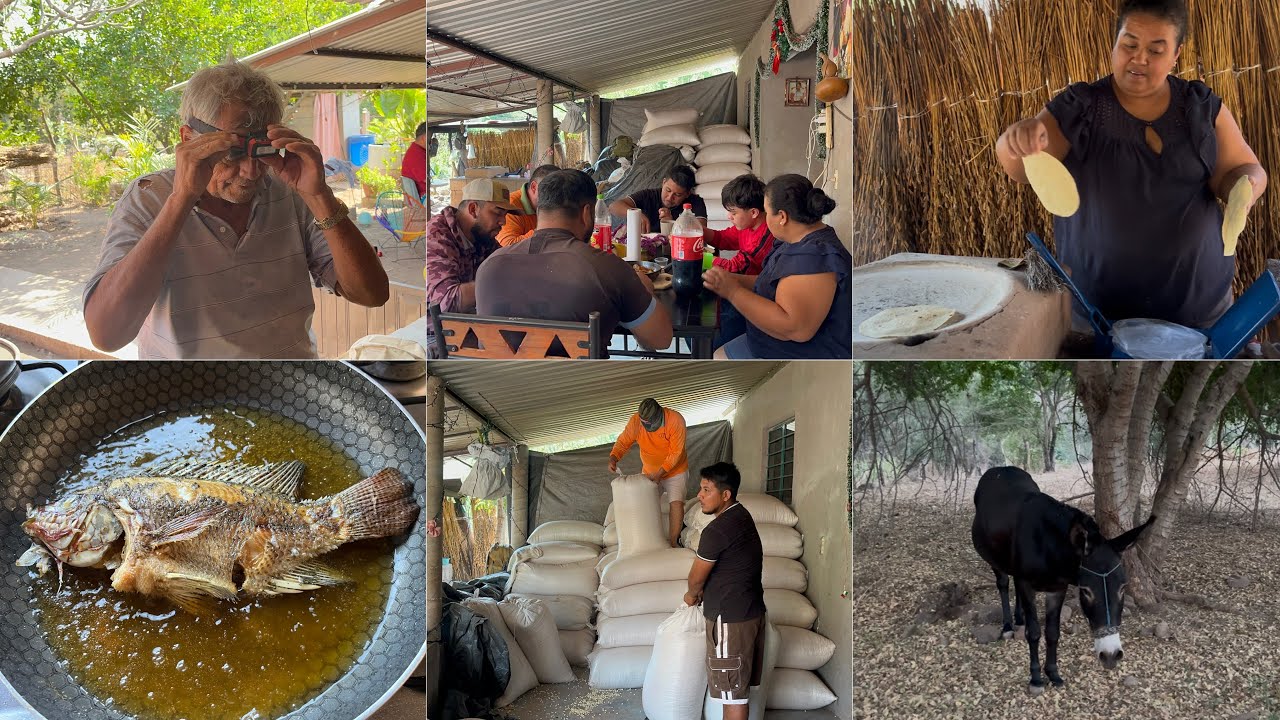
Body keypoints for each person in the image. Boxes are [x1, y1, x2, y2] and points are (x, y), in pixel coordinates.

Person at [83, 61, 389, 359]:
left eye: (263, 151)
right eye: (232, 152)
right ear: (188, 139)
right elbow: (106, 335)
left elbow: (372, 294)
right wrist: (181, 199)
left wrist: (319, 195)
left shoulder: (290, 191)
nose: (251, 172)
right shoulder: (149, 198)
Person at [996, 0, 1266, 333]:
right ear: (1114, 44)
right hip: (1098, 318)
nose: (1140, 58)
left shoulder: (1200, 107)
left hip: (1202, 312)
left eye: (1156, 50)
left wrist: (1247, 185)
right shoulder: (1080, 107)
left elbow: (1241, 169)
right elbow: (1020, 169)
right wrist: (1016, 140)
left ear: (1176, 54)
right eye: (1130, 45)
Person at [475, 169, 673, 352]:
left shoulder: (489, 267)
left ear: (540, 210)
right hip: (578, 379)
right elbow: (660, 340)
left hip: (500, 378)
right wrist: (645, 290)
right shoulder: (607, 268)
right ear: (587, 213)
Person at [703, 174, 852, 359]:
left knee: (714, 349)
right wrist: (733, 279)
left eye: (766, 212)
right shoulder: (794, 240)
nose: (765, 220)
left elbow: (795, 329)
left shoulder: (813, 257)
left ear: (782, 216)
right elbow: (771, 282)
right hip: (765, 338)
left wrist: (733, 291)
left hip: (808, 352)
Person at [684, 462, 766, 720]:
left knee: (732, 695)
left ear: (725, 494)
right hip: (750, 613)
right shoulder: (741, 516)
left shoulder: (717, 530)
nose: (700, 495)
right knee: (737, 690)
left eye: (706, 490)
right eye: (701, 489)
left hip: (730, 621)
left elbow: (696, 578)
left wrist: (691, 595)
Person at [426, 178, 521, 313]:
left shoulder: (481, 236)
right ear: (473, 209)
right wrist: (501, 282)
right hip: (436, 325)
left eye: (505, 215)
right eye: (498, 213)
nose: (503, 222)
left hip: (469, 319)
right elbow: (446, 302)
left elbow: (507, 263)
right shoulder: (438, 234)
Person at [704, 174, 775, 350]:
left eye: (733, 212)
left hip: (754, 295)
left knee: (710, 340)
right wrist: (697, 231)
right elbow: (723, 238)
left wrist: (699, 256)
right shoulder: (747, 225)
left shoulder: (764, 238)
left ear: (754, 212)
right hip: (738, 285)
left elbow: (734, 268)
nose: (729, 216)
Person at [608, 398, 689, 548]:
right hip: (649, 472)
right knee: (645, 504)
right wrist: (614, 457)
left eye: (652, 423)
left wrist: (660, 474)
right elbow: (623, 441)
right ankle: (648, 541)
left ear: (660, 413)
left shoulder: (675, 420)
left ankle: (673, 543)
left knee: (676, 503)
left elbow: (676, 453)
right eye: (646, 424)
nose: (650, 427)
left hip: (676, 471)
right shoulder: (635, 422)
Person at [609, 165, 708, 236]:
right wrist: (635, 214)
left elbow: (701, 231)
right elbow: (613, 206)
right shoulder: (648, 195)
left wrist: (672, 223)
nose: (669, 197)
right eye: (668, 190)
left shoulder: (695, 202)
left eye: (677, 195)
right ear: (663, 182)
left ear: (687, 194)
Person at [496, 164, 560, 246]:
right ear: (534, 187)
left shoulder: (555, 204)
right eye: (551, 191)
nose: (557, 197)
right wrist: (545, 229)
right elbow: (507, 246)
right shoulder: (512, 206)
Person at [401, 122, 428, 199]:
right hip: (422, 198)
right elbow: (427, 179)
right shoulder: (415, 154)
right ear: (424, 138)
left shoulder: (419, 150)